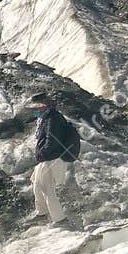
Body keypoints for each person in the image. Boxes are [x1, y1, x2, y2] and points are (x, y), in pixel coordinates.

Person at [30, 91, 80, 225]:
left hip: (53, 158)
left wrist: (43, 154)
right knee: (37, 184)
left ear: (43, 106)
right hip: (47, 158)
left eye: (36, 108)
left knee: (47, 189)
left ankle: (60, 220)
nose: (34, 111)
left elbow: (53, 140)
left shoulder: (53, 118)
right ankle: (42, 213)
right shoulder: (45, 119)